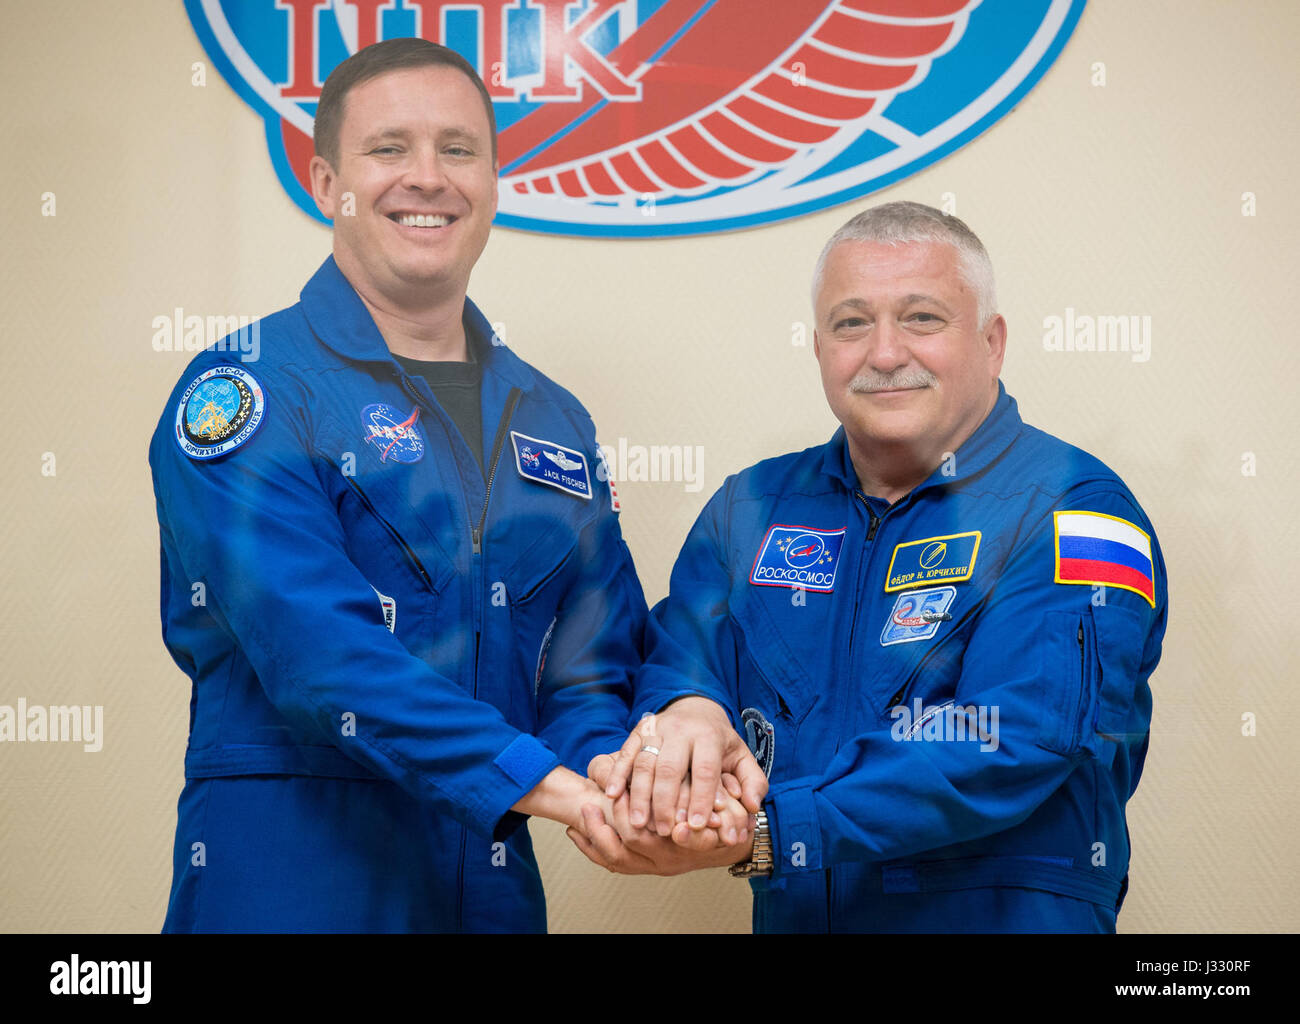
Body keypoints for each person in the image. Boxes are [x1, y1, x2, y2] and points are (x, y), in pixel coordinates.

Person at [148, 38, 744, 933]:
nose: (427, 177)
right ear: (324, 184)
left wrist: (626, 785)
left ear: (494, 183)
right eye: (389, 149)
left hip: (487, 888)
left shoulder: (554, 421)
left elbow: (588, 669)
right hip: (291, 883)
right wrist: (556, 793)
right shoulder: (250, 390)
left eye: (458, 149)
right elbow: (322, 658)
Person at [577, 202, 1168, 933]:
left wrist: (773, 830)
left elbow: (1016, 735)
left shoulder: (1077, 509)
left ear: (992, 342)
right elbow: (680, 661)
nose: (885, 353)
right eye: (852, 323)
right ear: (819, 346)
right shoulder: (751, 509)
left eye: (922, 318)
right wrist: (687, 715)